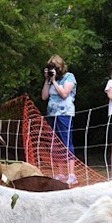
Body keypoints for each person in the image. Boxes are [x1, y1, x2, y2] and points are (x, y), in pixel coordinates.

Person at [41, 54, 78, 184]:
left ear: (61, 67)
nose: (53, 70)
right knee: (55, 144)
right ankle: (61, 173)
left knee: (66, 142)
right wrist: (47, 80)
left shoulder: (69, 77)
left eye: (55, 67)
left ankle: (72, 174)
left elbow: (64, 94)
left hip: (65, 114)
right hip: (52, 114)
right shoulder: (50, 80)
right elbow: (44, 97)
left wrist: (55, 81)